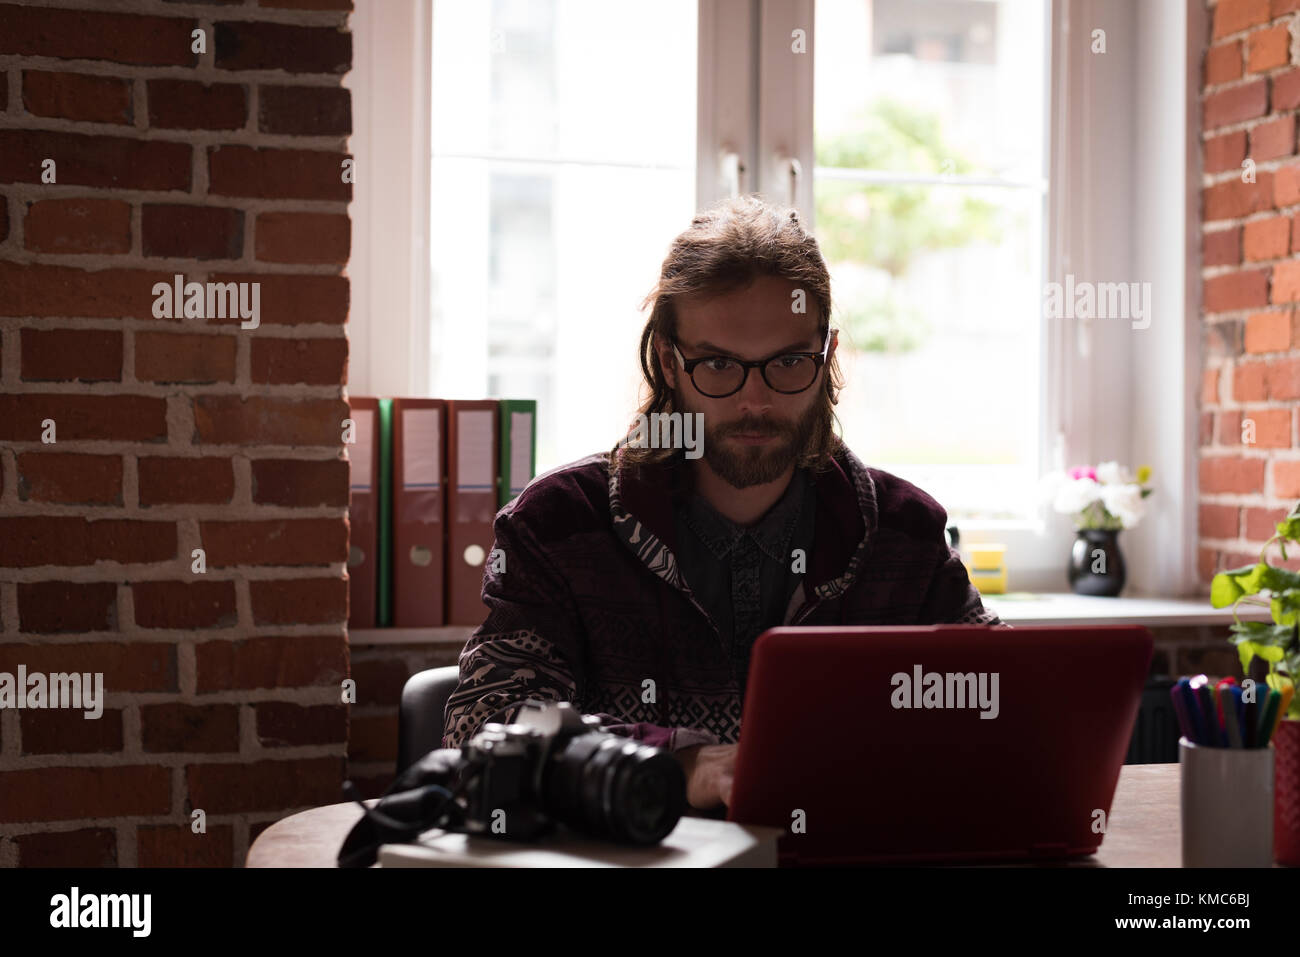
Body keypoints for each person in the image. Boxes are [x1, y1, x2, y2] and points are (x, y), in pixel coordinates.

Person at [442, 195, 1003, 812]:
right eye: (718, 365)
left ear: (828, 358)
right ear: (668, 362)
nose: (755, 401)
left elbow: (1006, 704)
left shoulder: (904, 532)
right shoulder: (558, 526)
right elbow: (485, 729)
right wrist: (672, 765)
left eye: (788, 362)